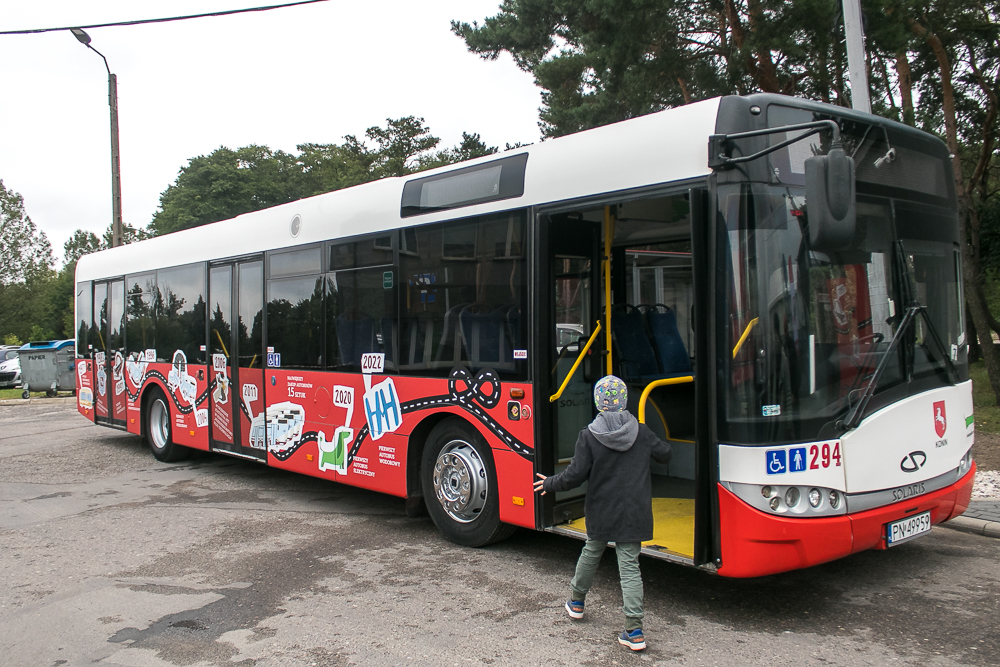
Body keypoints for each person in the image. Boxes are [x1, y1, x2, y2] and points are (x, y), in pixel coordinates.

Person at [533, 375, 671, 651]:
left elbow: (574, 476)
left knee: (592, 552)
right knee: (629, 567)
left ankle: (576, 602)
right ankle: (634, 630)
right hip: (634, 511)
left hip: (601, 510)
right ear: (624, 400)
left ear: (598, 402)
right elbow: (665, 454)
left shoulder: (589, 436)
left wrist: (549, 483)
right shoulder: (642, 432)